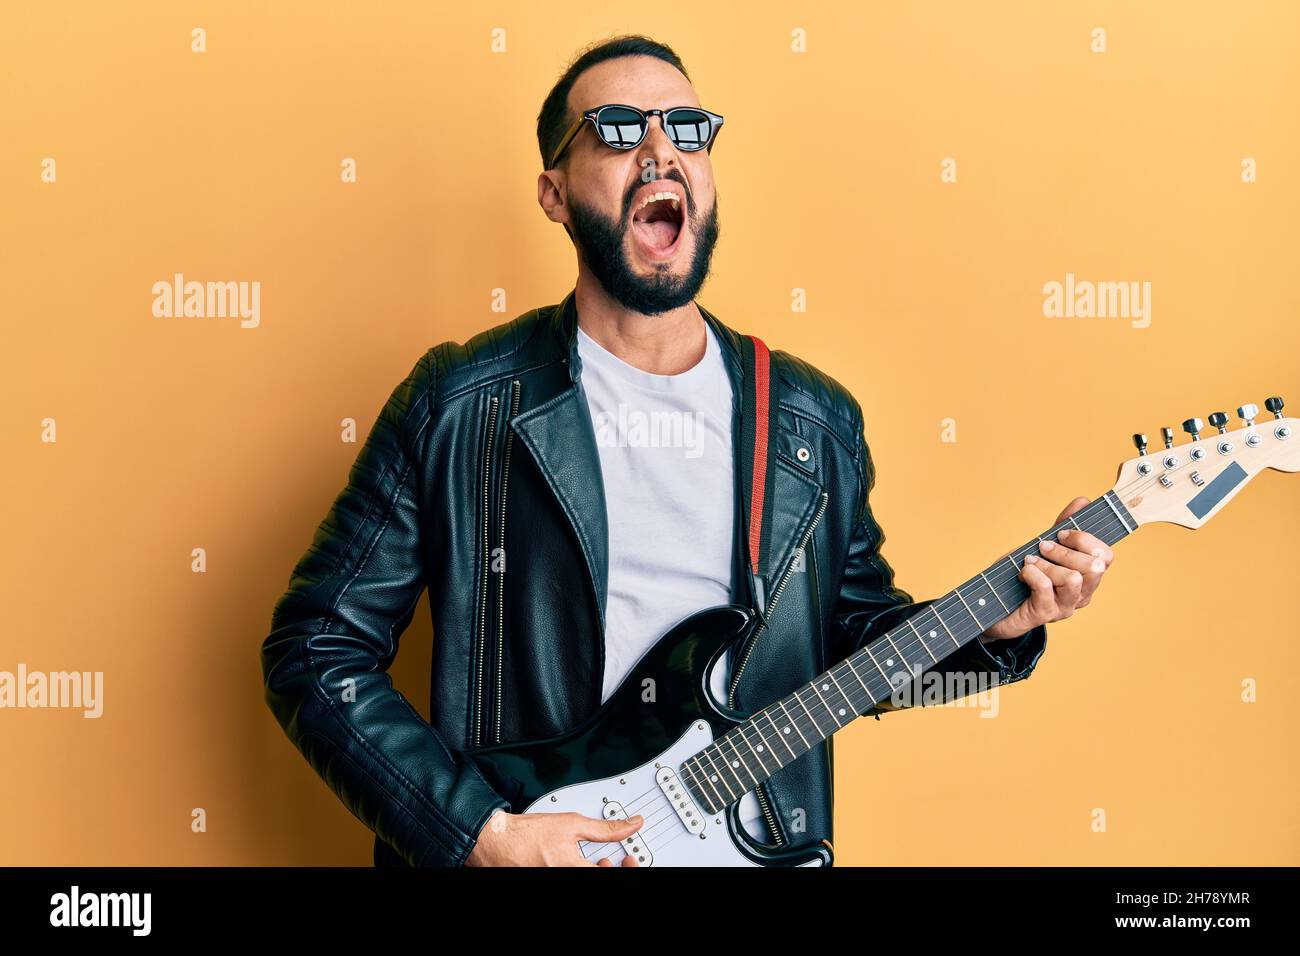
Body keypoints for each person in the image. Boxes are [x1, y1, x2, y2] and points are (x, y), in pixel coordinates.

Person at [260, 34, 1114, 867]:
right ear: (554, 194)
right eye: (621, 129)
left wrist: (999, 627)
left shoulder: (810, 422)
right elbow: (313, 651)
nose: (662, 152)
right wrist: (482, 834)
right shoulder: (461, 404)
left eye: (689, 128)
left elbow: (857, 659)